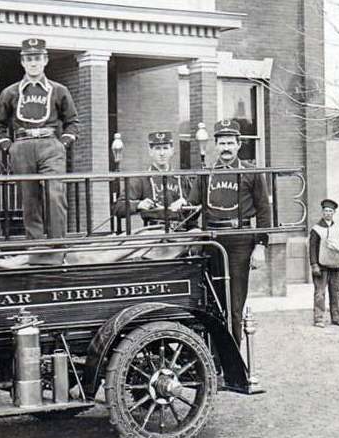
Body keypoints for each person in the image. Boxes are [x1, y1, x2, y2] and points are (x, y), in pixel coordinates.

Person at [0, 38, 79, 242]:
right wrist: (8, 146)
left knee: (55, 195)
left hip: (50, 144)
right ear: (22, 62)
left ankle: (57, 246)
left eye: (37, 58)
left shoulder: (58, 90)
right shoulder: (11, 92)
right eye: (29, 59)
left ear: (45, 60)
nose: (33, 63)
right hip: (22, 145)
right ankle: (36, 247)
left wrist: (62, 143)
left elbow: (72, 121)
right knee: (29, 199)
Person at [204, 120, 271, 345]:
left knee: (234, 305)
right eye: (222, 142)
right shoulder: (206, 173)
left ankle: (234, 368)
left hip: (240, 240)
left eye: (230, 143)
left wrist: (261, 245)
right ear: (215, 145)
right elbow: (192, 205)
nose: (226, 147)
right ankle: (212, 362)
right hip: (212, 240)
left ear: (239, 145)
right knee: (212, 302)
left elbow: (263, 210)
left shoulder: (251, 173)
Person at [111, 131, 195, 229]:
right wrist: (138, 204)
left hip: (180, 231)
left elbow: (195, 210)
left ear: (172, 150)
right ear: (150, 151)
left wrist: (185, 203)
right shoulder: (142, 179)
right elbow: (118, 207)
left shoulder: (181, 178)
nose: (162, 153)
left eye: (165, 148)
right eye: (157, 149)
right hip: (153, 232)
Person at [309, 198, 339, 328]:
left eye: (330, 211)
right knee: (320, 293)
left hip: (337, 266)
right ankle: (319, 319)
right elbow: (312, 248)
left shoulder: (338, 227)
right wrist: (314, 264)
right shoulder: (316, 229)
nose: (328, 213)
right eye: (326, 211)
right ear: (322, 212)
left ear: (334, 213)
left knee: (336, 292)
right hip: (321, 267)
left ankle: (336, 318)